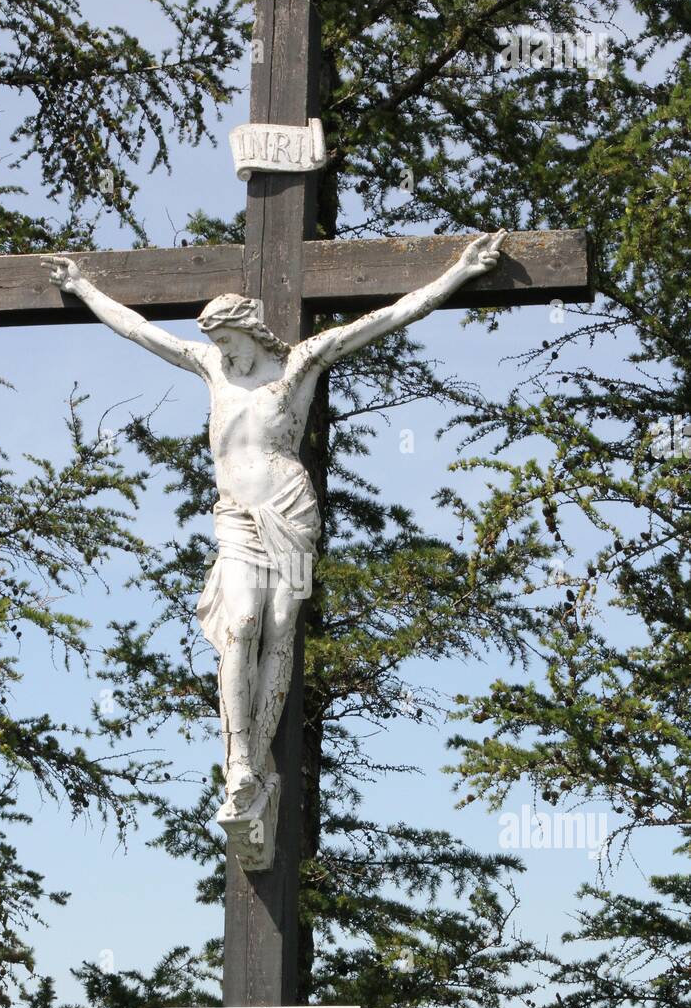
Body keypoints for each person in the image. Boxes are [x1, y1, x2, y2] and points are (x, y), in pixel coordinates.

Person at [42, 229, 507, 817]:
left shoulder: (299, 365)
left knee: (280, 629)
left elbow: (386, 318)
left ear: (253, 331)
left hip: (288, 510)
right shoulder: (212, 366)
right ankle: (237, 763)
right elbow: (143, 331)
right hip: (236, 516)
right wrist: (85, 289)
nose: (227, 352)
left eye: (232, 341)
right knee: (239, 624)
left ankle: (258, 761)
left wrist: (458, 273)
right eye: (220, 343)